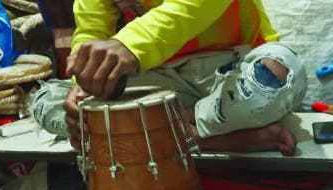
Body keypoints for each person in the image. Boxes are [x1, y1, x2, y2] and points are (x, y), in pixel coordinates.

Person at [63, 0, 306, 156]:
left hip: (230, 74)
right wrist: (85, 81)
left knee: (280, 70)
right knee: (54, 101)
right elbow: (91, 32)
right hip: (158, 84)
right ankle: (211, 135)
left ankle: (164, 130)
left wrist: (129, 45)